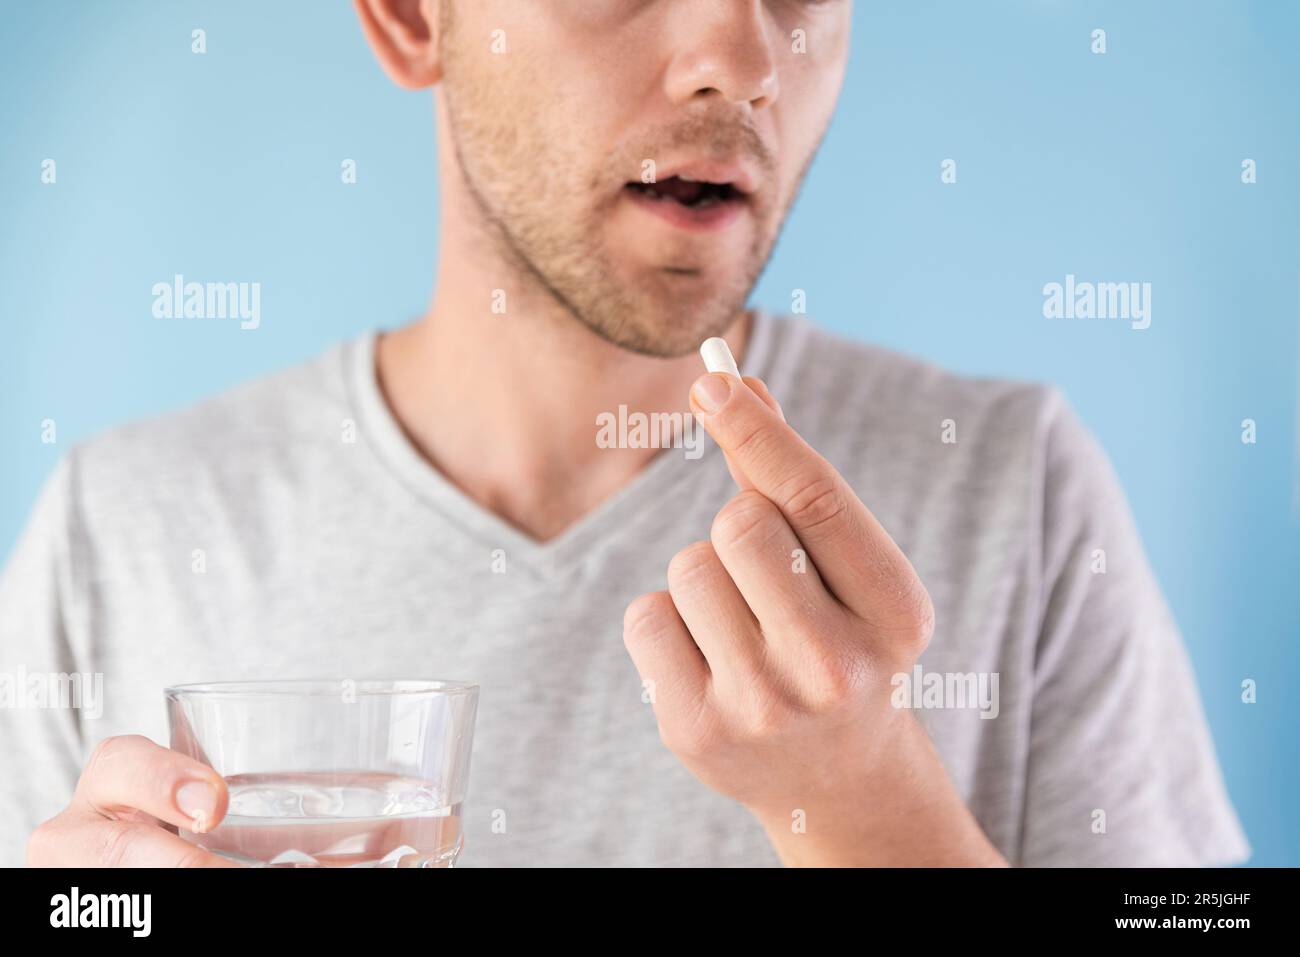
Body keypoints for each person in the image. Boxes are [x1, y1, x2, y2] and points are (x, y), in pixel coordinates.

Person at [1, 0, 1248, 867]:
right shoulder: (124, 523)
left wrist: (863, 802)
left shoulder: (1012, 486)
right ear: (407, 15)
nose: (737, 58)